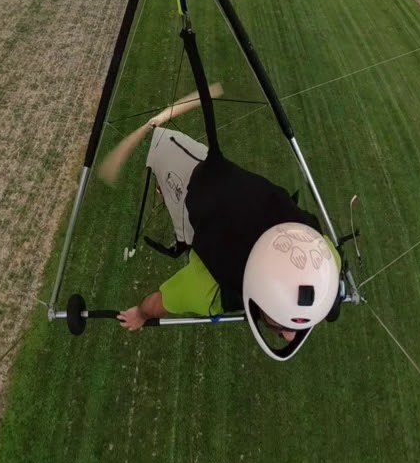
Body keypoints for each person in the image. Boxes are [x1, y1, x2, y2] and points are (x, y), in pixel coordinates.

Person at [116, 28, 341, 361]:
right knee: (179, 189)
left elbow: (320, 280)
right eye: (282, 325)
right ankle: (167, 175)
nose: (291, 334)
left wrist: (330, 296)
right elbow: (158, 303)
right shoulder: (208, 290)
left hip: (235, 191)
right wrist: (141, 313)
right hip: (205, 188)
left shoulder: (326, 261)